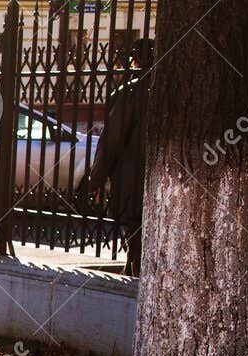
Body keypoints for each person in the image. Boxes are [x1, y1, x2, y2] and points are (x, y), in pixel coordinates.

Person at [82, 40, 153, 277]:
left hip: (131, 180)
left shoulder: (129, 93)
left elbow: (111, 141)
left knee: (135, 236)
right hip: (161, 180)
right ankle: (135, 274)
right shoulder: (172, 93)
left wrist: (97, 178)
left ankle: (135, 278)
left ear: (135, 62)